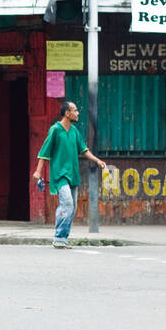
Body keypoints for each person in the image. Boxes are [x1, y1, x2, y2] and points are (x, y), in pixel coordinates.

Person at [32, 100, 109, 249]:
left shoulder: (74, 131)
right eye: (75, 110)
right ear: (67, 114)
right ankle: (58, 237)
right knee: (67, 203)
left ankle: (63, 238)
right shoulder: (55, 130)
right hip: (60, 174)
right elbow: (44, 152)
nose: (78, 113)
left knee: (71, 207)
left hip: (73, 174)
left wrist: (98, 160)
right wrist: (38, 171)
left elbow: (84, 150)